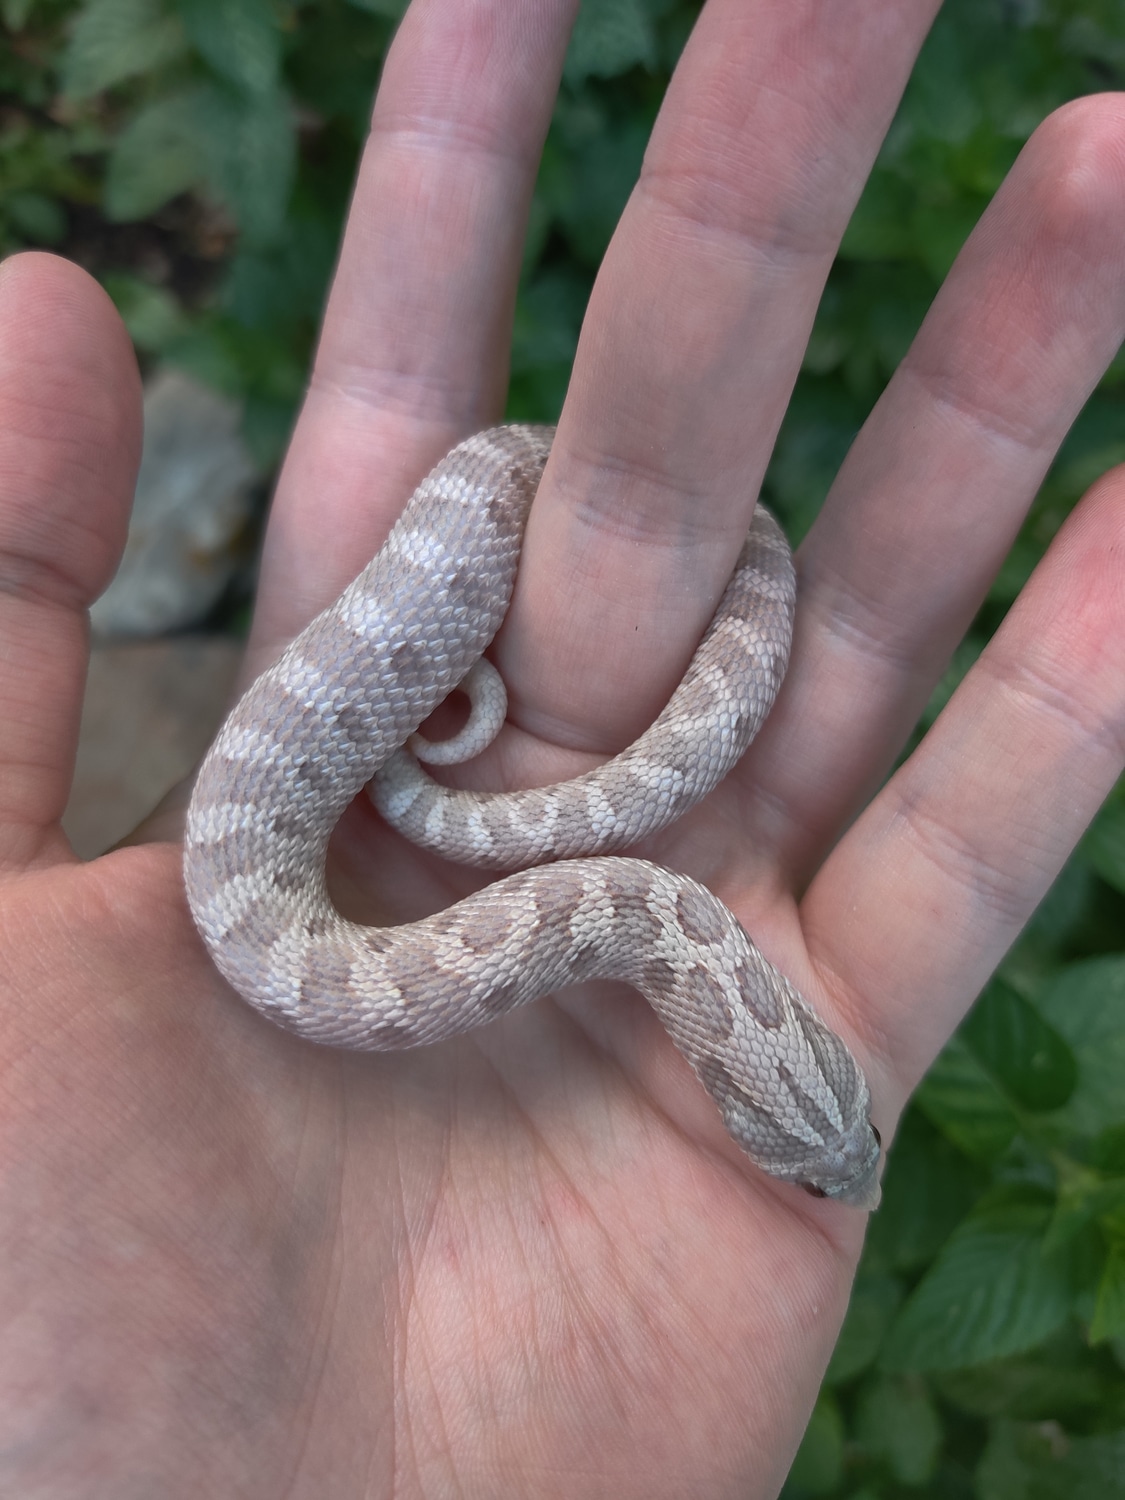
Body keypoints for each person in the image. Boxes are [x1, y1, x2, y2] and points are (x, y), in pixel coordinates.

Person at [1, 0, 1122, 1492]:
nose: (833, 1179)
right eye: (812, 1140)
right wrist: (420, 775)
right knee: (487, 500)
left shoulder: (652, 921)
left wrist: (429, 778)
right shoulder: (640, 918)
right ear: (742, 1045)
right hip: (392, 748)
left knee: (508, 522)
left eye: (815, 1141)